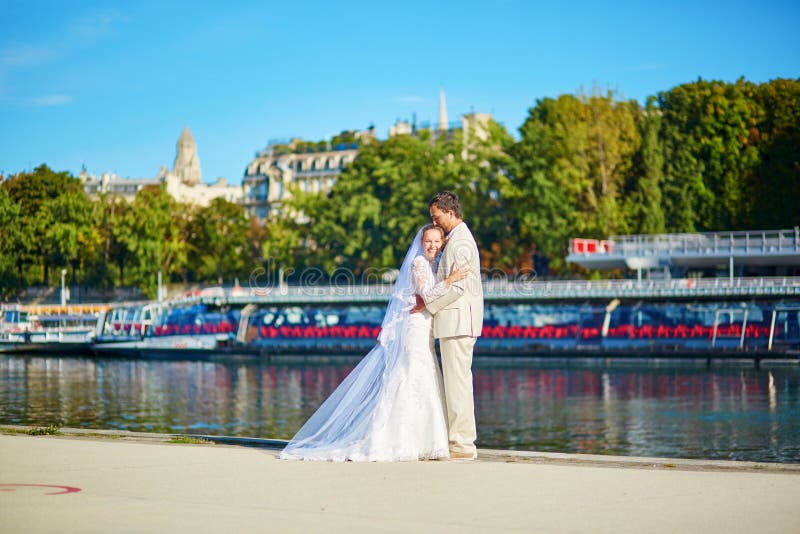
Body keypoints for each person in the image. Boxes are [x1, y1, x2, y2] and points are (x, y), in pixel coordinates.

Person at [280, 225, 469, 461]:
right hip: (414, 329)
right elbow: (428, 295)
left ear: (442, 243)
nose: (432, 246)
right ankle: (396, 439)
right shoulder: (419, 263)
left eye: (437, 241)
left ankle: (421, 441)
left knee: (423, 377)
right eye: (428, 241)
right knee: (411, 375)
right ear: (421, 243)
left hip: (425, 328)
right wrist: (452, 279)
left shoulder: (432, 264)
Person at [412, 191, 484, 460]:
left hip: (457, 322)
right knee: (457, 384)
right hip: (456, 321)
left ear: (450, 213)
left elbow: (457, 287)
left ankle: (462, 445)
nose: (434, 222)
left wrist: (427, 305)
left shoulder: (461, 243)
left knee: (458, 386)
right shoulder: (455, 241)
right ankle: (458, 441)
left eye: (437, 217)